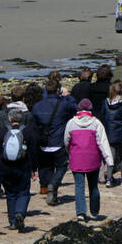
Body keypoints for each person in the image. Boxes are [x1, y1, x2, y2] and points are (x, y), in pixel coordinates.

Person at [30, 73, 76, 206]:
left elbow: (35, 122)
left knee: (45, 166)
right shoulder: (63, 104)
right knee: (61, 166)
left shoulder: (37, 106)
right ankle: (53, 185)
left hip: (43, 141)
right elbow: (75, 108)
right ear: (58, 90)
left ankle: (44, 187)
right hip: (58, 140)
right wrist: (68, 96)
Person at [0, 107, 39, 232]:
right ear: (22, 119)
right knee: (23, 192)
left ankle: (12, 221)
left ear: (9, 119)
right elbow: (33, 151)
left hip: (5, 167)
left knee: (10, 194)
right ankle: (20, 212)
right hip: (23, 167)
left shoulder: (3, 131)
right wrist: (34, 169)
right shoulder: (27, 131)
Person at [65, 99, 113, 221]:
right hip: (93, 158)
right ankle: (94, 210)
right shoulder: (96, 123)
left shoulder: (71, 123)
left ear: (79, 109)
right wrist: (109, 160)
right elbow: (103, 142)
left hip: (77, 158)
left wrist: (69, 152)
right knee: (93, 186)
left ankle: (81, 212)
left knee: (79, 186)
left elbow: (66, 141)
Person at [101, 82, 122, 187]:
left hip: (110, 132)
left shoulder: (105, 102)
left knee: (111, 156)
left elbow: (102, 116)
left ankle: (109, 179)